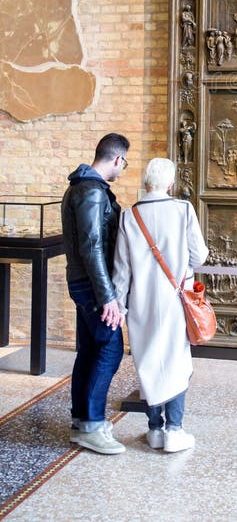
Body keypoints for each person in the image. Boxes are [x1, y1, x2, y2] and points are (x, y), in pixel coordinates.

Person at [112, 157, 209, 453]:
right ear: (170, 183)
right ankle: (175, 431)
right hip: (174, 299)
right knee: (177, 363)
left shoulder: (131, 215)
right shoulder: (183, 210)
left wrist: (119, 305)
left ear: (146, 182)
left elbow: (122, 268)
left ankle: (154, 429)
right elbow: (199, 256)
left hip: (140, 301)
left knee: (149, 363)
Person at [61, 132, 130, 455]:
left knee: (90, 348)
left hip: (85, 282)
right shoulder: (91, 191)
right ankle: (90, 425)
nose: (123, 169)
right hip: (92, 286)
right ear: (117, 159)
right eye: (124, 163)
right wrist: (108, 297)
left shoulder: (83, 186)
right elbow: (91, 247)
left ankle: (81, 422)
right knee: (110, 348)